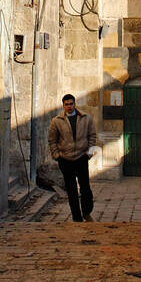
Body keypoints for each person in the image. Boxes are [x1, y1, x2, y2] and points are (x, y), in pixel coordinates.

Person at [47, 94, 98, 222]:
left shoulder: (86, 119)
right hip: (65, 159)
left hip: (81, 157)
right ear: (63, 105)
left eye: (71, 104)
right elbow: (52, 140)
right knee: (71, 189)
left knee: (85, 187)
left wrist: (89, 153)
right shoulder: (56, 121)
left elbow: (92, 136)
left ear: (75, 104)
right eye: (66, 104)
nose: (69, 106)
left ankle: (86, 212)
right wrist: (56, 155)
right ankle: (76, 217)